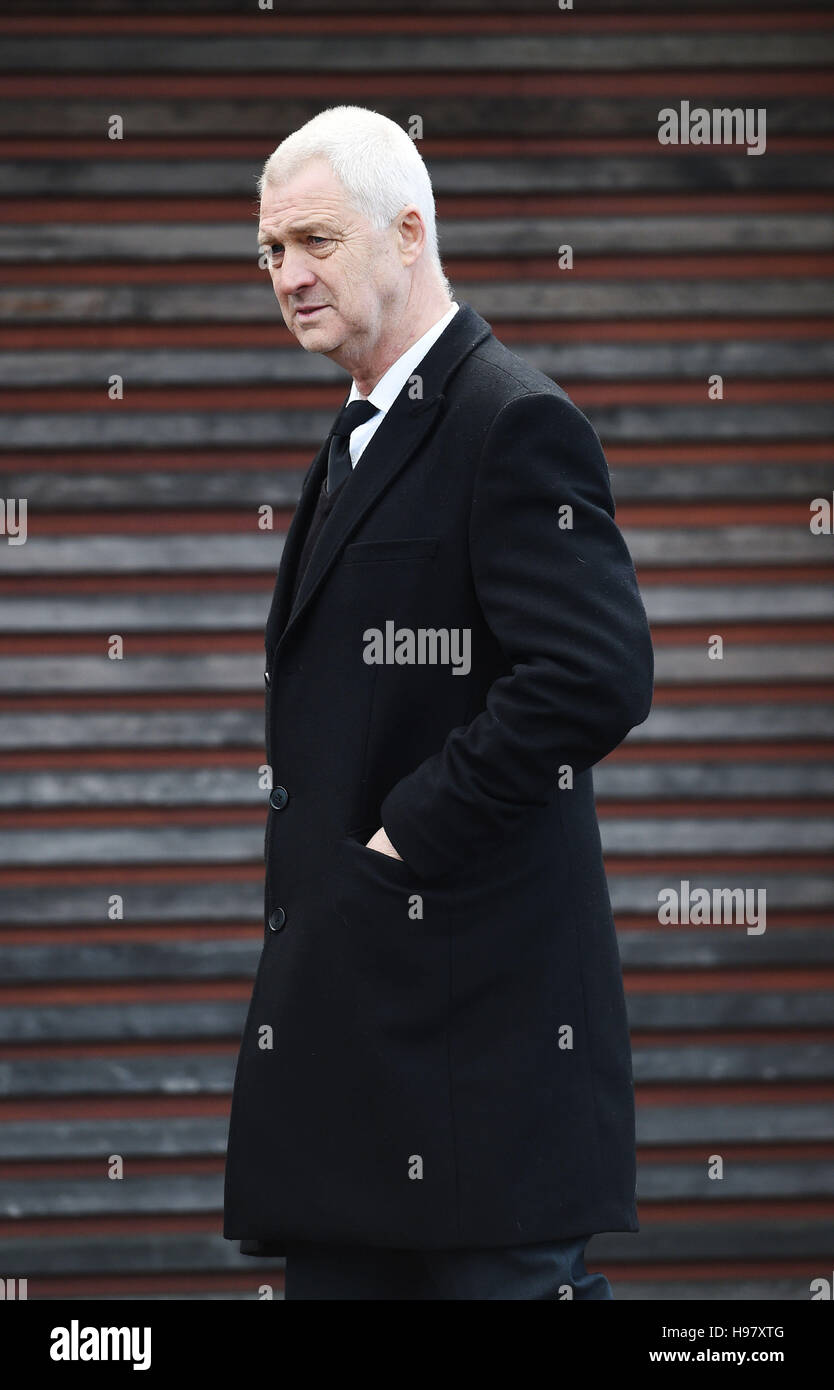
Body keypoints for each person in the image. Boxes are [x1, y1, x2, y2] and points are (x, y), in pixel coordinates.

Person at [222, 105, 654, 1300]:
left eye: (313, 240)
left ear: (409, 231)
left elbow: (595, 674)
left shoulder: (508, 419)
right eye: (270, 253)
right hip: (363, 1061)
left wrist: (403, 836)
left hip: (482, 1077)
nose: (288, 276)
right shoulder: (358, 434)